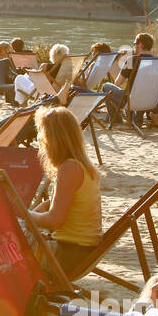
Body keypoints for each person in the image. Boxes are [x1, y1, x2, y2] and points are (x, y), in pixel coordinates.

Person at [29, 108, 102, 276]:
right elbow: (71, 203)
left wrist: (25, 215)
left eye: (42, 134)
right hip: (82, 250)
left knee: (4, 247)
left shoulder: (69, 168)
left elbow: (54, 222)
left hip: (68, 254)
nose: (39, 140)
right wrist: (43, 207)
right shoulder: (82, 166)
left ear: (51, 139)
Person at [100, 32, 155, 125]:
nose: (133, 46)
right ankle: (137, 117)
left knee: (106, 86)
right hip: (151, 102)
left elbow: (117, 83)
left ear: (140, 45)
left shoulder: (132, 60)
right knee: (140, 91)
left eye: (134, 44)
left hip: (132, 101)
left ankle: (116, 120)